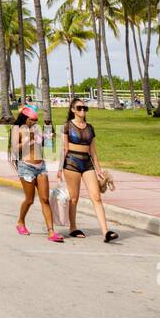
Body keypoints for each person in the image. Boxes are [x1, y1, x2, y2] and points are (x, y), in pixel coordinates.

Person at [60, 98, 118, 243]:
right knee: (74, 198)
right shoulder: (67, 126)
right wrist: (60, 169)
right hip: (71, 163)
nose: (83, 110)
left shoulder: (90, 128)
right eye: (79, 108)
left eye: (85, 108)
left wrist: (99, 170)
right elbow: (64, 149)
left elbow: (93, 152)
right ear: (73, 110)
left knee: (97, 197)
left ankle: (106, 231)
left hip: (87, 163)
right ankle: (73, 228)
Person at [11, 105, 62, 242]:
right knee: (29, 200)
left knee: (45, 199)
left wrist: (48, 137)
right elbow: (15, 149)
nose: (34, 122)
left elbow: (44, 144)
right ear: (25, 118)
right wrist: (29, 141)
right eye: (31, 119)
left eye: (35, 120)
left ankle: (51, 232)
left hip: (41, 167)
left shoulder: (36, 129)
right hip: (26, 167)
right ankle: (20, 222)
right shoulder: (17, 129)